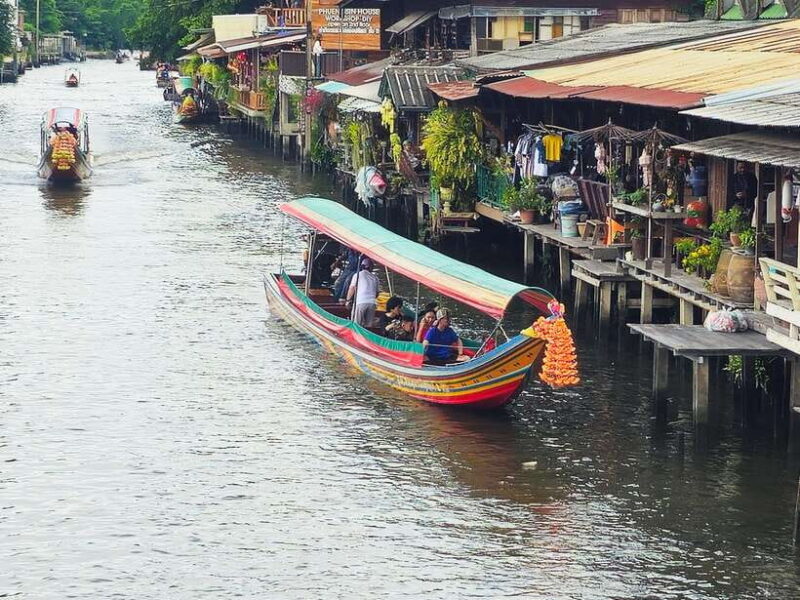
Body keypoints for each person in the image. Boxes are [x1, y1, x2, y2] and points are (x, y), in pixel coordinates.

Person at [346, 257, 379, 327]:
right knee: (368, 326)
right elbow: (377, 294)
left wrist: (348, 300)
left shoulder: (357, 275)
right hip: (372, 303)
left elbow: (352, 288)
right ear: (371, 267)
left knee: (356, 325)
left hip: (360, 302)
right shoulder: (375, 278)